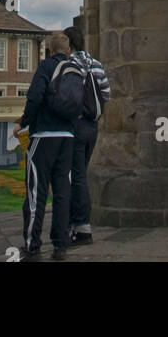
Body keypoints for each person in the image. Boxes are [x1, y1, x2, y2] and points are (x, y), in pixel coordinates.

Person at [17, 30, 75, 261]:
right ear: (68, 50)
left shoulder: (45, 67)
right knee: (62, 192)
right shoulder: (76, 69)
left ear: (50, 50)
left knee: (36, 192)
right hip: (68, 136)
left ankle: (32, 246)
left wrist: (24, 122)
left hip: (44, 136)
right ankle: (61, 245)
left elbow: (35, 97)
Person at [64, 24, 110, 247]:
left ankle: (81, 227)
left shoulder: (69, 65)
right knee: (81, 174)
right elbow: (106, 94)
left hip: (75, 125)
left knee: (77, 177)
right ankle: (78, 224)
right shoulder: (96, 64)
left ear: (69, 44)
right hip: (92, 126)